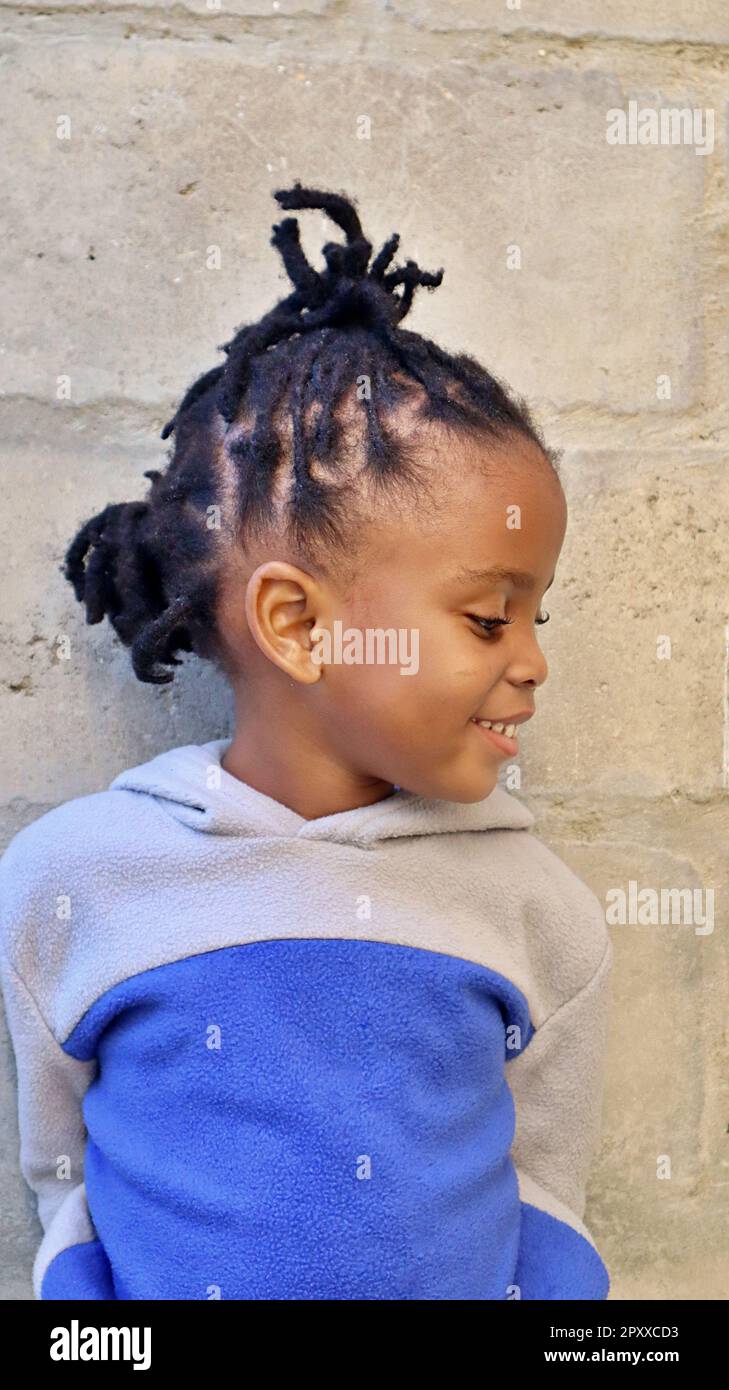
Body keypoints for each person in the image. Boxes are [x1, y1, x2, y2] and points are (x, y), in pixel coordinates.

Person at [0, 182, 613, 1300]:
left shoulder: (537, 910)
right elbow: (62, 1183)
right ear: (297, 624)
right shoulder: (73, 883)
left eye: (539, 615)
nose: (531, 663)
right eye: (488, 617)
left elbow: (546, 1195)